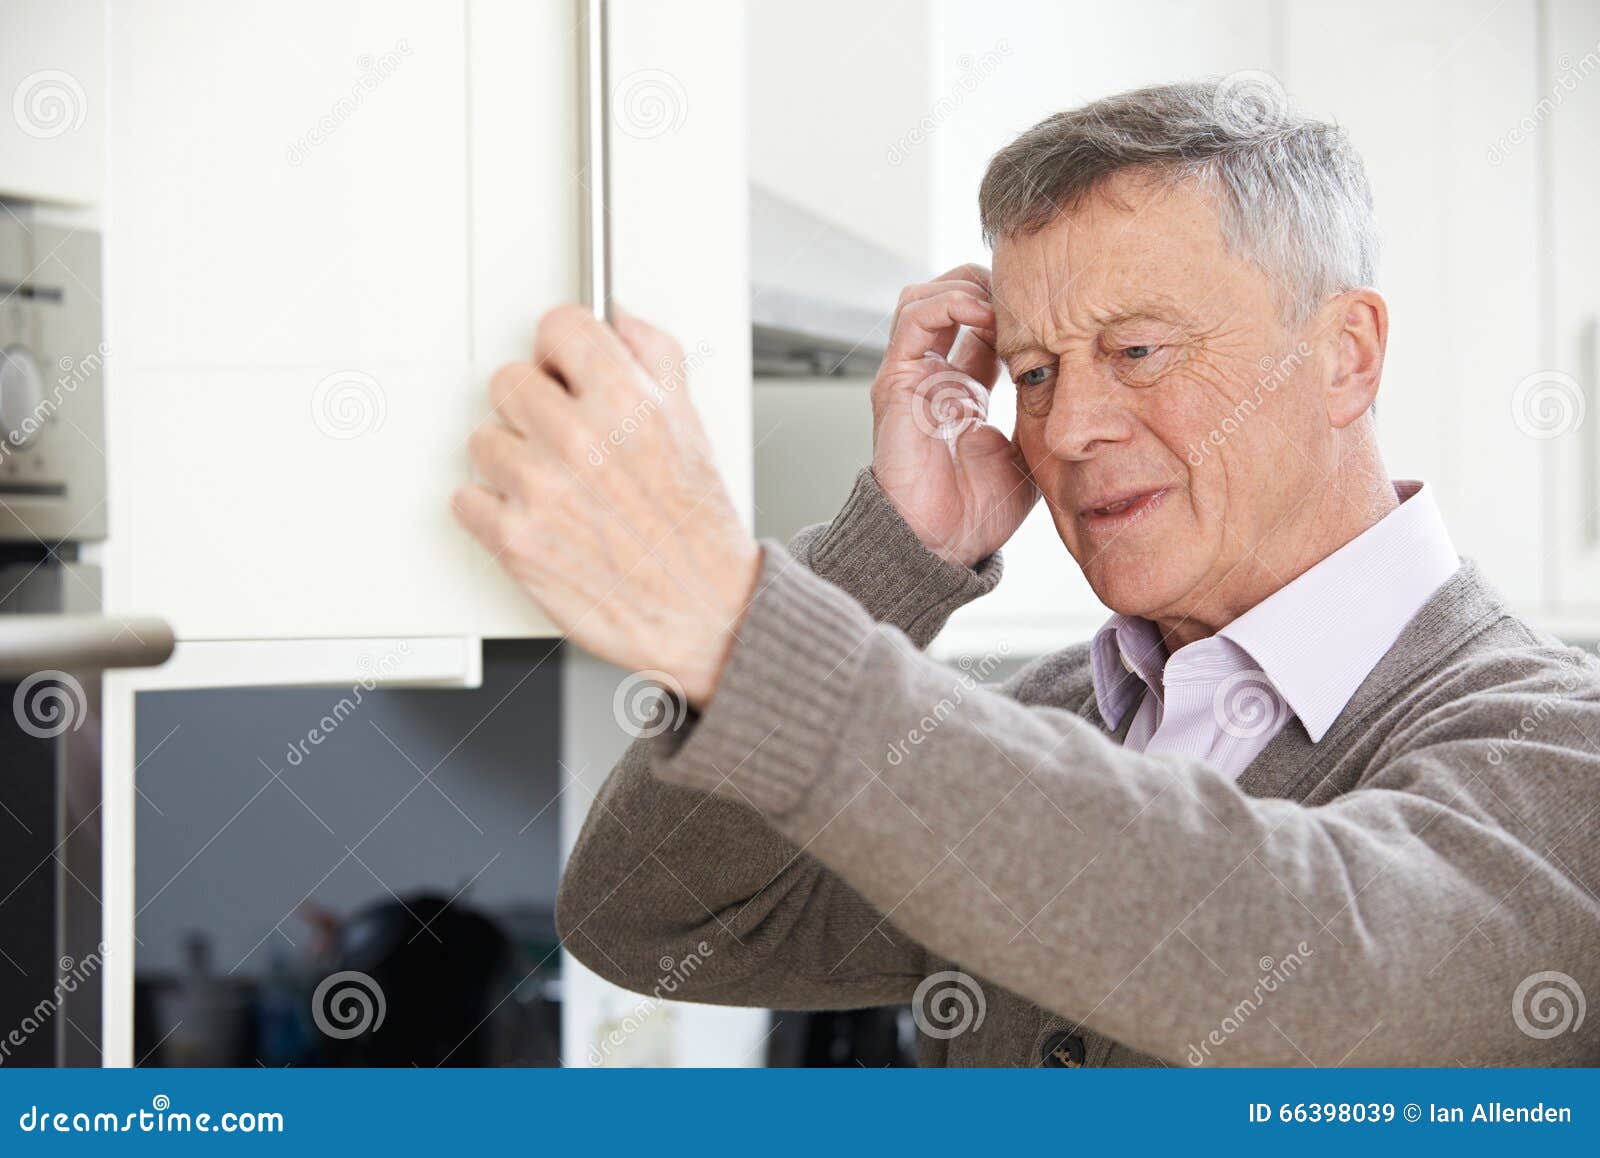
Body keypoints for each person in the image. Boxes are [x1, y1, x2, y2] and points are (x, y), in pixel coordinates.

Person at [454, 80, 1600, 1066]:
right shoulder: (1062, 718)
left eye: (1138, 350)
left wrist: (736, 623)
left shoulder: (1554, 747)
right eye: (1037, 370)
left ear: (1345, 355)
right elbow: (649, 916)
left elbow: (1317, 959)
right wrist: (886, 560)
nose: (1070, 427)